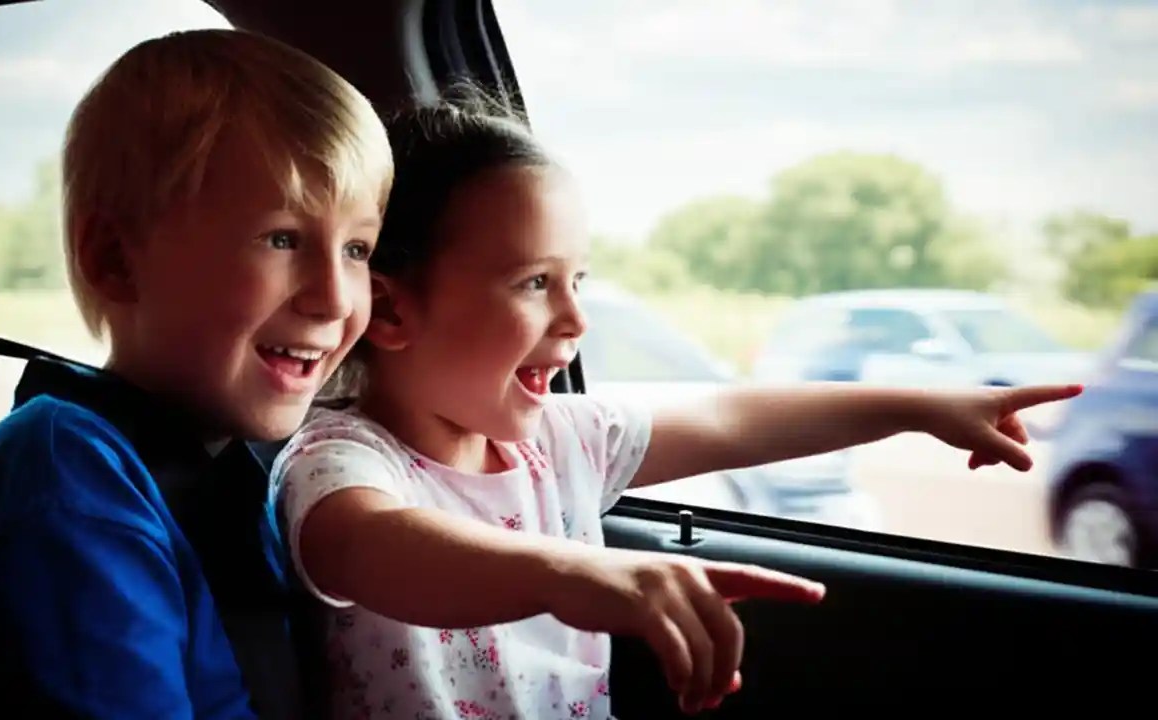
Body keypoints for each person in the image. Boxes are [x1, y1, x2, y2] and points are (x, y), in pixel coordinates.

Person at [267, 88, 1084, 720]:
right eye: (533, 283)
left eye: (577, 280)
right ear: (395, 309)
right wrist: (575, 573)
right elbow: (377, 546)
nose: (577, 318)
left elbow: (733, 418)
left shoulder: (562, 443)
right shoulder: (341, 460)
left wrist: (915, 406)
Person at [0, 29, 393, 719]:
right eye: (281, 238)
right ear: (116, 261)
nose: (335, 297)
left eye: (356, 248)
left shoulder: (226, 469)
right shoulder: (69, 481)